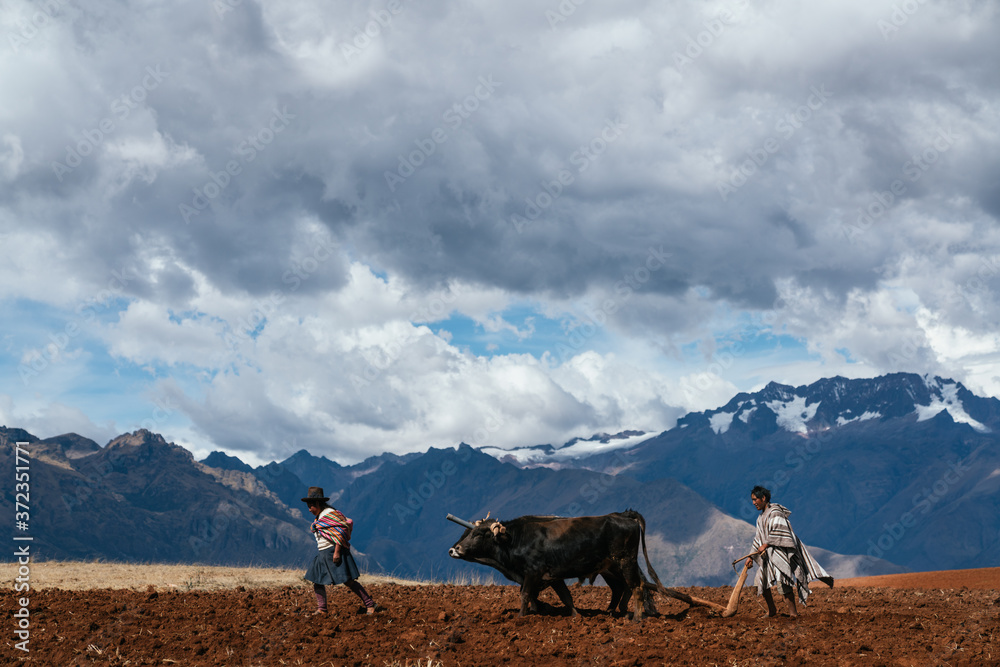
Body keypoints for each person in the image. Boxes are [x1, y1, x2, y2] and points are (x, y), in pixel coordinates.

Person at [745, 485, 833, 617]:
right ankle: (772, 610)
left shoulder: (775, 512)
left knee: (783, 582)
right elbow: (758, 539)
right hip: (767, 556)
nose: (753, 503)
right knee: (761, 582)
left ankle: (793, 613)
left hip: (780, 554)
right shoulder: (760, 518)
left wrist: (767, 543)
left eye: (755, 499)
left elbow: (781, 531)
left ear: (763, 498)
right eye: (752, 500)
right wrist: (751, 556)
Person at [301, 487, 379, 615]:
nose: (309, 510)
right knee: (317, 580)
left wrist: (337, 552)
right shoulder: (320, 517)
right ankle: (322, 609)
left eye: (311, 506)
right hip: (323, 553)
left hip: (333, 551)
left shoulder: (328, 514)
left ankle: (370, 604)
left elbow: (340, 532)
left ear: (318, 504)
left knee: (348, 580)